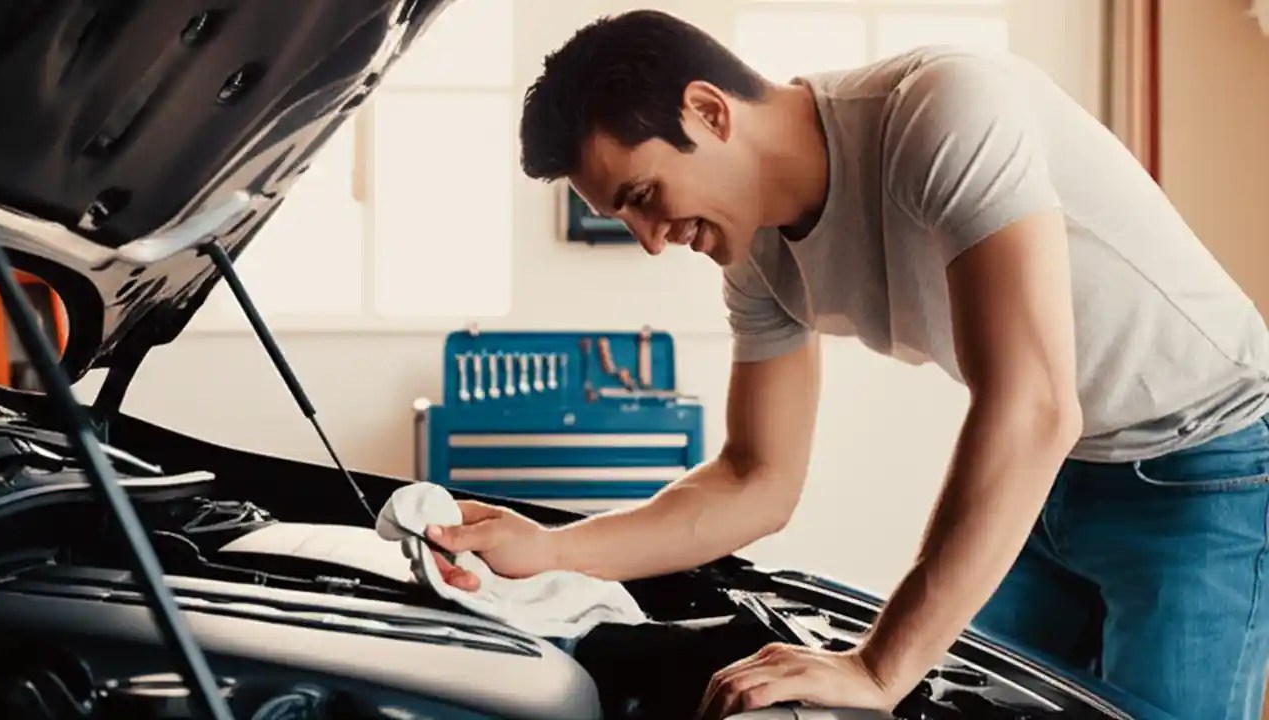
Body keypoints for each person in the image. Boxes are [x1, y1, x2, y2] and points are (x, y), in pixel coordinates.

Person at [421, 9, 1269, 720]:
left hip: (1211, 464)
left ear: (710, 111)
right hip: (1061, 476)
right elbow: (756, 479)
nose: (648, 242)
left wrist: (875, 667)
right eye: (622, 215)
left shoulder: (942, 111)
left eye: (643, 196)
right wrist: (558, 550)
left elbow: (1035, 405)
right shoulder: (755, 259)